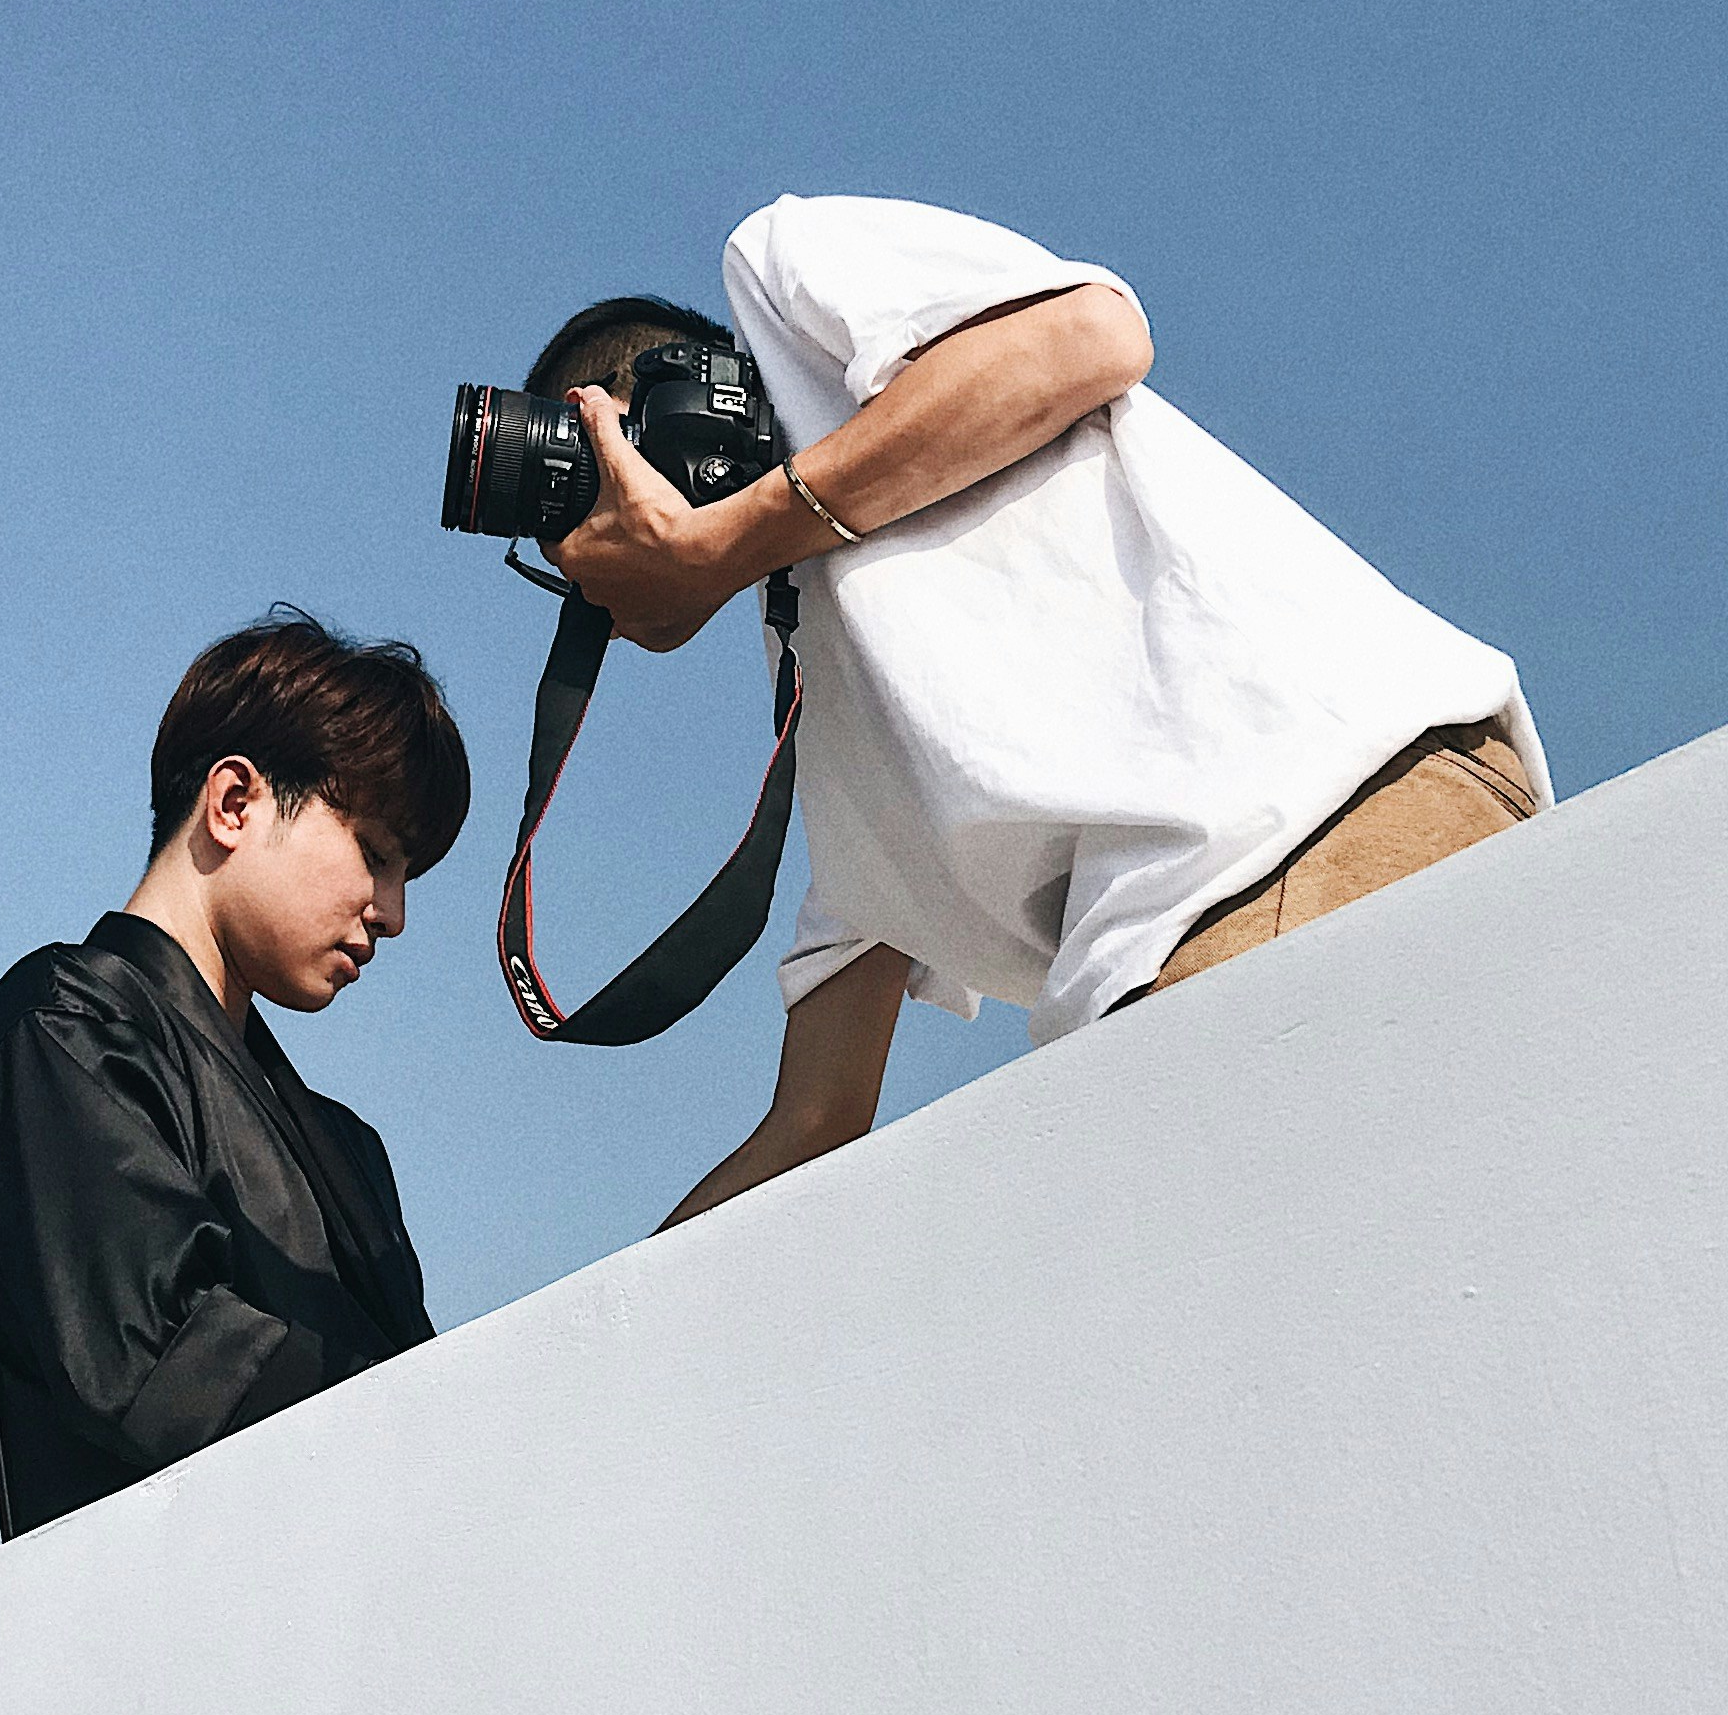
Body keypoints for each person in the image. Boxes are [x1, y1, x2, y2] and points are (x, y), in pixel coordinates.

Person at [519, 195, 1548, 1225]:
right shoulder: (840, 701)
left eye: (563, 495)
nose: (572, 557)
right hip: (1214, 912)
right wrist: (570, 1352)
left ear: (637, 420)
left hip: (1293, 834)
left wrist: (722, 542)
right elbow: (817, 1117)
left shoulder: (784, 273)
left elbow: (1093, 334)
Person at [0, 612, 469, 1539]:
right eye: (374, 852)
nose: (394, 912)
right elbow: (165, 1364)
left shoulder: (349, 1150)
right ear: (234, 804)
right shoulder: (56, 1028)